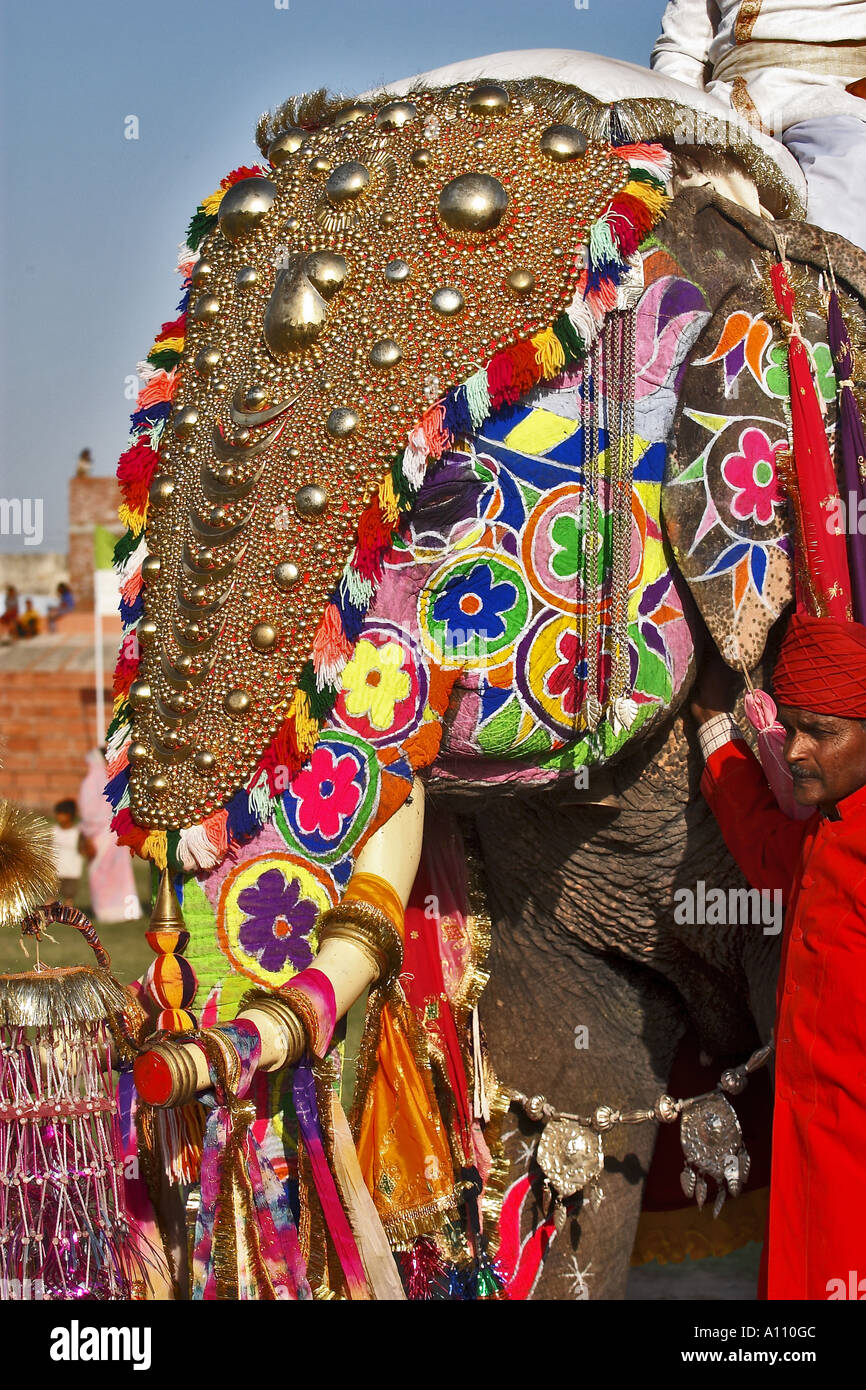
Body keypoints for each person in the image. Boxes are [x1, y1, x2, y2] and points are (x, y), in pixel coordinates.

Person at [691, 612, 866, 1299]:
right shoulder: (831, 836)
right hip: (818, 1148)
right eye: (789, 728)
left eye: (822, 733)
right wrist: (715, 733)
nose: (794, 752)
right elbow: (773, 854)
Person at [651, 0, 866, 252]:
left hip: (840, 104)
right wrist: (675, 121)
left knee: (853, 159)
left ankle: (837, 287)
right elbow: (682, 52)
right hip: (725, 110)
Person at [77, 748, 141, 922]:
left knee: (107, 875)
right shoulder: (110, 781)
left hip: (102, 835)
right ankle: (120, 911)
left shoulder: (91, 783)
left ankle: (111, 910)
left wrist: (87, 833)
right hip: (112, 834)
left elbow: (88, 813)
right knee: (115, 874)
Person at [51, 799, 84, 908]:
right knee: (51, 894)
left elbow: (82, 849)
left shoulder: (77, 833)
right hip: (55, 870)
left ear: (69, 815)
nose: (58, 816)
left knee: (69, 895)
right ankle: (48, 912)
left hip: (71, 871)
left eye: (61, 814)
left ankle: (67, 913)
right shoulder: (53, 831)